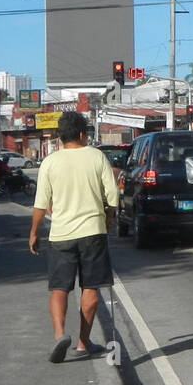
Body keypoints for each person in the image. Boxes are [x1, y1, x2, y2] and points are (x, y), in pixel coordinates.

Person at [28, 112, 119, 363]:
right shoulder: (96, 156)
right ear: (82, 134)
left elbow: (41, 203)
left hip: (61, 235)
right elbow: (112, 194)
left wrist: (34, 232)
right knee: (89, 288)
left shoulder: (49, 162)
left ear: (60, 136)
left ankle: (59, 335)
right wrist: (110, 216)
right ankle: (83, 342)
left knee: (59, 288)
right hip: (92, 233)